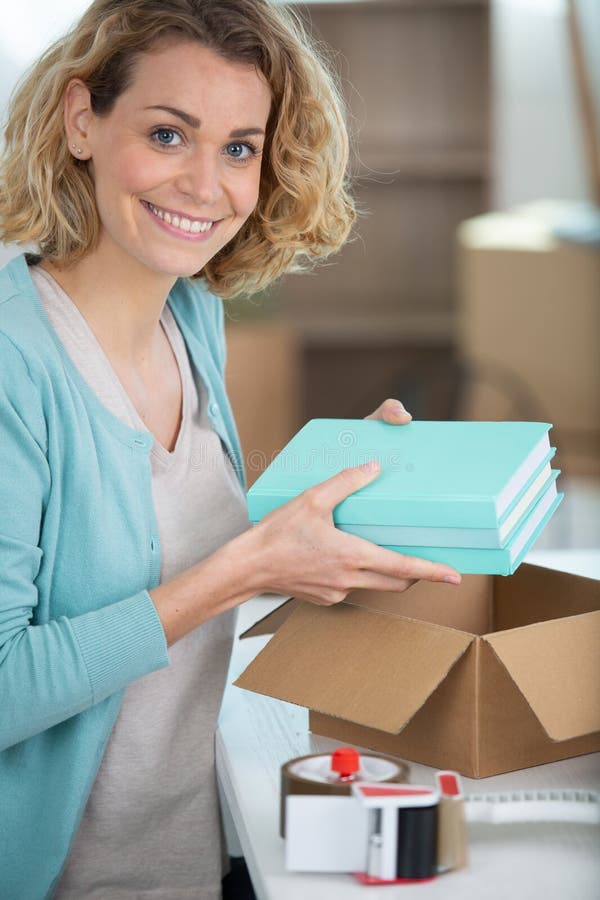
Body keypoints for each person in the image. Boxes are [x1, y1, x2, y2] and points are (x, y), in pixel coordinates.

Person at [0, 1, 461, 896]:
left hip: (203, 845)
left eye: (239, 148)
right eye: (169, 135)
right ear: (80, 120)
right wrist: (248, 568)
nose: (206, 186)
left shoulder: (190, 312)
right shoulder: (14, 364)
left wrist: (324, 490)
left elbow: (166, 538)